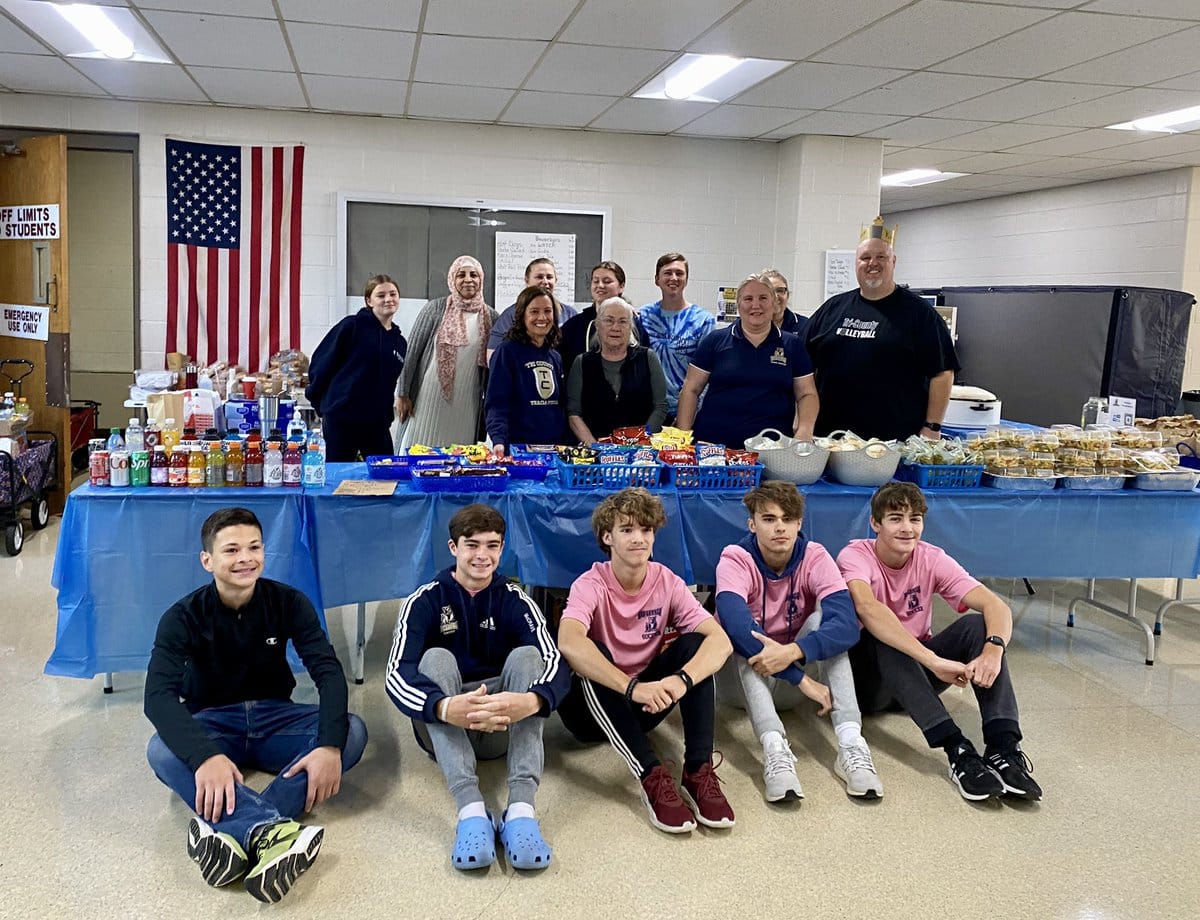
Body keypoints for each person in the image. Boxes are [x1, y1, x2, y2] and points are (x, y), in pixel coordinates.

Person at [144, 508, 367, 903]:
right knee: (161, 750)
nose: (246, 558)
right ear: (207, 560)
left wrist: (329, 745)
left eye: (254, 547)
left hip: (276, 717)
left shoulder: (288, 602)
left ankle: (237, 831)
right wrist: (203, 757)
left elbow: (329, 673)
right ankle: (270, 833)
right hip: (213, 723)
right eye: (231, 550)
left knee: (352, 732)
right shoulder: (180, 617)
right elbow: (157, 697)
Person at [384, 504, 568, 871]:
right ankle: (470, 809)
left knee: (530, 658)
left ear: (502, 550)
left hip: (502, 724)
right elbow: (395, 673)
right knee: (434, 658)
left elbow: (557, 663)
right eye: (472, 545)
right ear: (454, 548)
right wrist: (443, 707)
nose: (482, 556)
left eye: (492, 545)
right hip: (445, 725)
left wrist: (530, 700)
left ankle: (520, 810)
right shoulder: (425, 599)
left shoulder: (516, 600)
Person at [837, 482, 1042, 802]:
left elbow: (995, 605)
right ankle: (958, 751)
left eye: (915, 519)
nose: (907, 528)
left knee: (977, 625)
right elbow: (869, 609)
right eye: (895, 518)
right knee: (885, 635)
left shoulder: (931, 557)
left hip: (918, 675)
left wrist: (993, 650)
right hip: (870, 684)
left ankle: (1003, 748)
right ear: (875, 524)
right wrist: (933, 661)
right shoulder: (854, 555)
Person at [556, 488, 735, 834]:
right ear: (607, 537)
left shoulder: (667, 581)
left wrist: (680, 680)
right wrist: (631, 688)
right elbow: (568, 641)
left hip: (647, 704)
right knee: (591, 652)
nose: (639, 538)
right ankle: (652, 776)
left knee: (697, 645)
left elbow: (720, 642)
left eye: (646, 530)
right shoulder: (590, 584)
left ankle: (698, 770)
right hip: (589, 713)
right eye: (627, 530)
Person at [714, 481, 882, 802]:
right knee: (744, 636)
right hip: (740, 688)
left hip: (793, 681)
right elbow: (735, 625)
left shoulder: (815, 556)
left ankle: (850, 743)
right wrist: (801, 678)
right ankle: (775, 749)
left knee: (825, 623)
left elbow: (847, 625)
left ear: (799, 524)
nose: (780, 527)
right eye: (769, 519)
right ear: (752, 524)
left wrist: (794, 651)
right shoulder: (735, 559)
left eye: (788, 519)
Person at [804, 223, 959, 441]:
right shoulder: (833, 308)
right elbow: (801, 363)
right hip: (830, 437)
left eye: (881, 257)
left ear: (893, 261)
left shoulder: (920, 314)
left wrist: (932, 426)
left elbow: (942, 372)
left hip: (892, 440)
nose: (872, 263)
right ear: (856, 263)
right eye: (865, 258)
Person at [675, 274, 818, 448]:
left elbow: (807, 394)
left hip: (773, 450)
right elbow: (691, 389)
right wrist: (682, 435)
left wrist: (804, 430)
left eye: (763, 298)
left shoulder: (792, 345)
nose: (755, 305)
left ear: (774, 303)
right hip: (714, 449)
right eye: (748, 298)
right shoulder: (714, 341)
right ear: (738, 305)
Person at [396, 255, 498, 449]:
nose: (468, 279)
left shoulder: (491, 316)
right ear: (452, 279)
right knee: (415, 450)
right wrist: (402, 393)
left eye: (473, 275)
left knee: (458, 457)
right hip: (427, 396)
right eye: (461, 275)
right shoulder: (435, 308)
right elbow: (412, 354)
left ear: (481, 279)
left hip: (467, 401)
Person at [305, 274, 407, 462]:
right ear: (369, 300)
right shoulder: (351, 326)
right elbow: (321, 364)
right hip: (342, 419)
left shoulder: (399, 342)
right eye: (381, 295)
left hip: (377, 424)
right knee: (338, 478)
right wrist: (322, 405)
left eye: (393, 294)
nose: (388, 299)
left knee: (385, 475)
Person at [566, 296, 668, 444]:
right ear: (597, 325)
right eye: (609, 320)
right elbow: (573, 413)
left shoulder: (648, 358)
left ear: (630, 326)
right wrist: (596, 448)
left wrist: (640, 442)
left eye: (622, 321)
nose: (616, 327)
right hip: (594, 453)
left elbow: (660, 405)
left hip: (640, 456)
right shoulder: (582, 363)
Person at [485, 285, 566, 455]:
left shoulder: (555, 357)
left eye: (548, 311)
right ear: (522, 315)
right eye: (534, 311)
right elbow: (496, 403)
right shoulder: (506, 352)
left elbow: (560, 407)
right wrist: (498, 440)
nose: (542, 317)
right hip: (518, 449)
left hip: (553, 450)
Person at [639, 252, 716, 419]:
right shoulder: (644, 316)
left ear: (686, 279)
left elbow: (706, 373)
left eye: (679, 273)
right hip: (648, 409)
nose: (673, 278)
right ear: (656, 279)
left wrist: (690, 414)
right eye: (667, 273)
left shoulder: (703, 320)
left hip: (687, 410)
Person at [559, 261, 650, 375]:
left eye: (607, 281)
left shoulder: (633, 325)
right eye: (595, 281)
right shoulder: (574, 325)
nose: (600, 285)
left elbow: (643, 365)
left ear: (621, 286)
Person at [487, 258, 578, 359]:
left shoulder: (570, 314)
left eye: (549, 277)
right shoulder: (510, 315)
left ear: (556, 280)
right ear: (527, 280)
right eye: (539, 277)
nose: (545, 281)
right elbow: (493, 356)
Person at [760, 268, 805, 335]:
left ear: (787, 296)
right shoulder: (745, 325)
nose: (775, 296)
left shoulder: (804, 325)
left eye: (780, 290)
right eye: (769, 290)